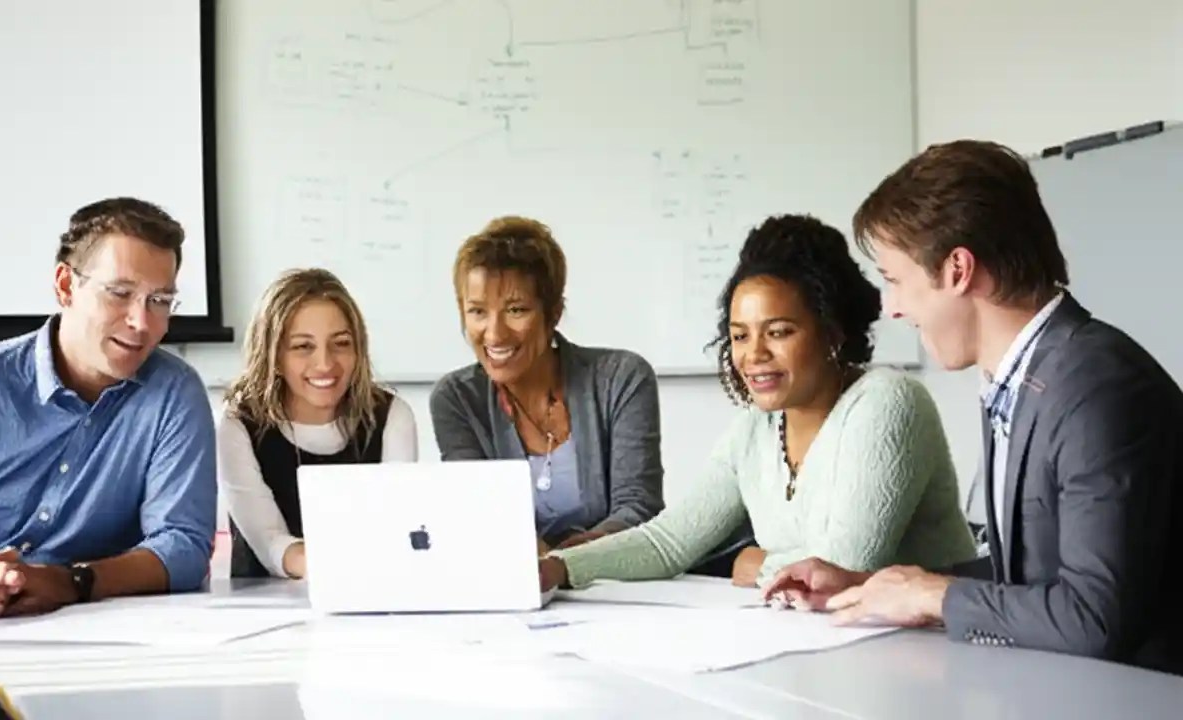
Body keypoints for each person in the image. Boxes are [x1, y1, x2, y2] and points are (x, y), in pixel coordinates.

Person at [764, 140, 1183, 675]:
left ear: (958, 269)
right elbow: (1030, 581)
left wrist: (933, 596)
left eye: (894, 280)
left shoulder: (1096, 385)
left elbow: (1093, 617)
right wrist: (878, 587)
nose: (891, 307)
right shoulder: (1021, 377)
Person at [538, 214, 977, 593]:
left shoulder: (887, 401)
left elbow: (841, 568)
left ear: (832, 332)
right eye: (740, 335)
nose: (754, 354)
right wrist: (561, 567)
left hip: (936, 647)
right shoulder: (756, 429)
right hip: (832, 642)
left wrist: (753, 562)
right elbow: (668, 542)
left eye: (780, 331)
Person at [0, 197, 217, 617]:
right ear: (66, 287)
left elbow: (183, 545)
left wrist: (73, 581)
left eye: (160, 300)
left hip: (104, 632)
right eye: (120, 293)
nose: (142, 323)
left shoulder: (174, 394)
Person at [430, 216, 665, 552]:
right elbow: (480, 516)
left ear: (553, 312)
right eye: (478, 312)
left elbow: (640, 511)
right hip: (514, 586)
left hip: (613, 586)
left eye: (516, 310)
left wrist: (562, 564)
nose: (494, 334)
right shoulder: (457, 399)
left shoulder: (622, 379)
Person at [219, 268, 418, 579]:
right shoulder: (238, 425)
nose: (325, 363)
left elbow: (395, 526)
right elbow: (271, 545)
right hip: (265, 609)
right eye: (302, 346)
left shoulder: (392, 416)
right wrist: (346, 567)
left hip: (369, 597)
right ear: (274, 355)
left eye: (341, 343)